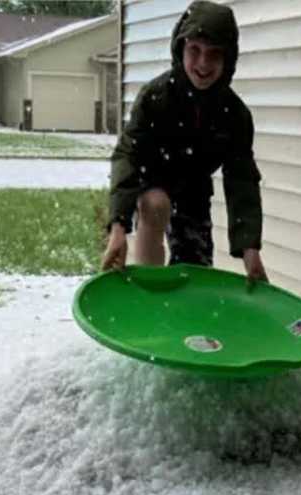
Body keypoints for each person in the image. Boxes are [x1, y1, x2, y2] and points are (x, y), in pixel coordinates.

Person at [99, 0, 267, 285]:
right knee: (156, 204)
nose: (203, 64)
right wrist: (118, 228)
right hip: (153, 180)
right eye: (195, 50)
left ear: (228, 59)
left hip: (193, 191)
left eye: (214, 54)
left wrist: (250, 250)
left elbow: (242, 181)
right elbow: (128, 155)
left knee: (194, 274)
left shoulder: (234, 115)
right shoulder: (155, 97)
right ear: (181, 48)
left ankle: (186, 318)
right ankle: (149, 290)